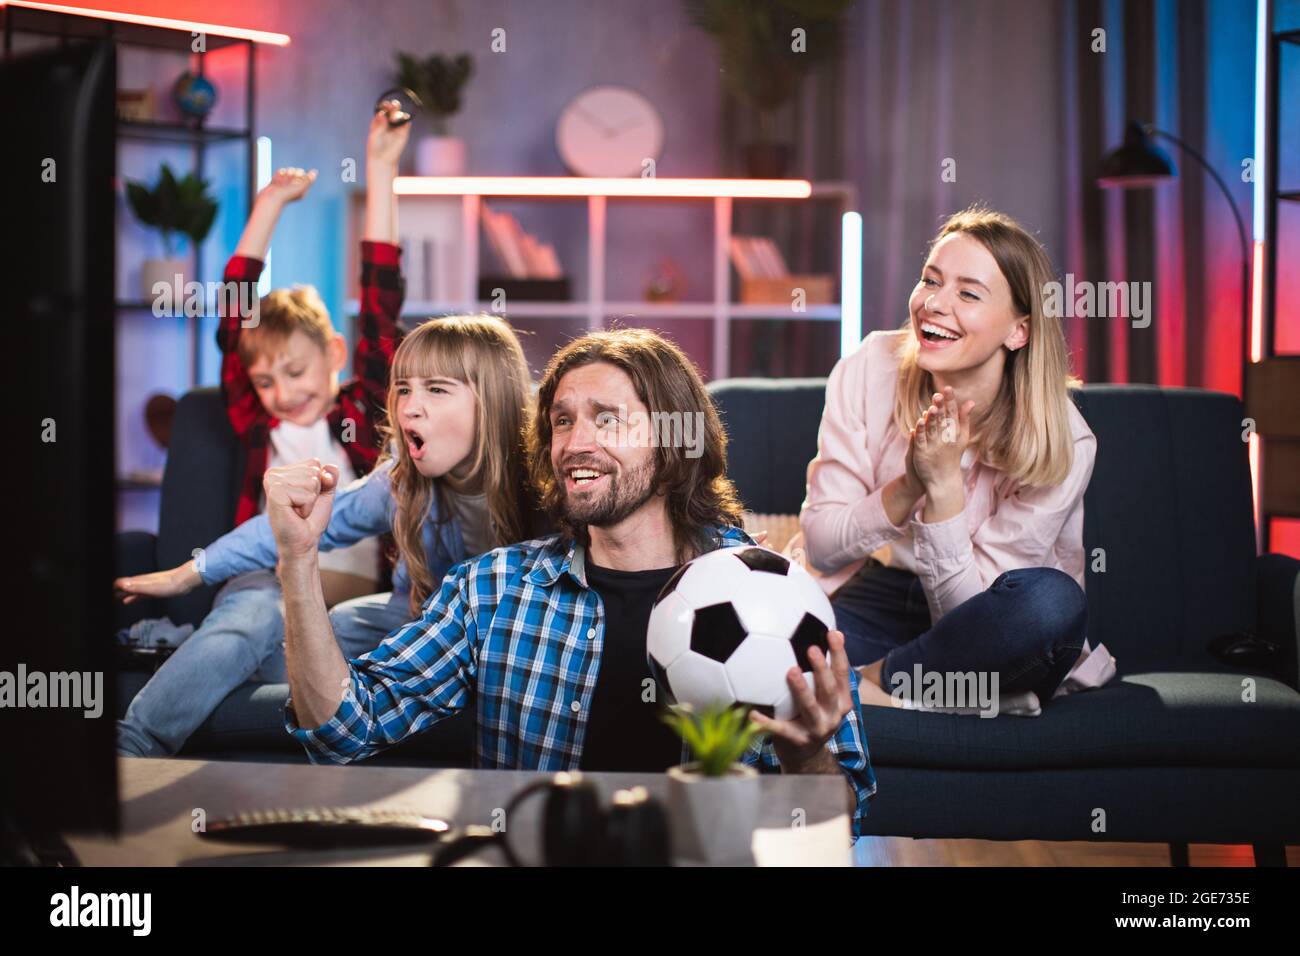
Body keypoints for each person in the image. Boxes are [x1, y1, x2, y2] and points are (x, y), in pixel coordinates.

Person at [268, 328, 876, 836]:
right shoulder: (493, 591)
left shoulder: (774, 599)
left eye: (606, 419)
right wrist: (298, 560)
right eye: (562, 421)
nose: (576, 444)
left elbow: (842, 820)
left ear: (671, 440)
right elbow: (342, 730)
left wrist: (805, 756)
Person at [113, 104, 410, 756]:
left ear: (334, 353)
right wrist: (269, 205)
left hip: (353, 591)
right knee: (253, 619)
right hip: (266, 583)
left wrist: (382, 167)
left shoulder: (361, 410)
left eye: (297, 372)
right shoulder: (257, 422)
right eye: (266, 381)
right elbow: (234, 317)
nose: (283, 394)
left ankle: (194, 680)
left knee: (273, 635)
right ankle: (132, 746)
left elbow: (382, 299)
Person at [798, 206, 1115, 717]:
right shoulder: (870, 367)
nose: (933, 305)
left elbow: (970, 623)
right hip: (878, 595)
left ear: (1019, 331)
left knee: (1052, 603)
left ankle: (873, 684)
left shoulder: (1066, 441)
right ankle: (952, 701)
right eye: (930, 281)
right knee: (771, 657)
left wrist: (945, 490)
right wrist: (910, 484)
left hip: (990, 620)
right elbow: (822, 545)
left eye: (967, 294)